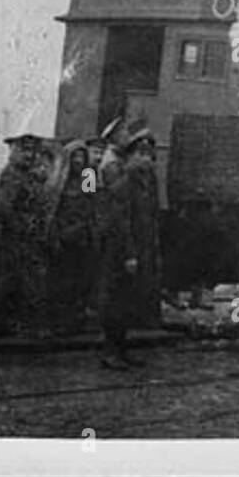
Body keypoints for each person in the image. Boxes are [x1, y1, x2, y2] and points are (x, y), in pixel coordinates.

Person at [97, 128, 161, 369]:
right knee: (114, 301)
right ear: (131, 157)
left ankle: (122, 349)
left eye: (150, 154)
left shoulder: (148, 181)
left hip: (140, 249)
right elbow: (121, 220)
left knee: (128, 302)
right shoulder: (126, 180)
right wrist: (130, 254)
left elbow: (151, 218)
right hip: (121, 250)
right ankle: (111, 351)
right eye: (141, 154)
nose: (147, 159)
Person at [0, 134, 55, 337]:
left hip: (35, 234)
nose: (29, 155)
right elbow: (4, 207)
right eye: (25, 150)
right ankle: (2, 324)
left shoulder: (32, 175)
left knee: (29, 278)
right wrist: (22, 227)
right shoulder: (12, 175)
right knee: (16, 278)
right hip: (18, 236)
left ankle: (18, 323)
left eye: (32, 151)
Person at [49, 141, 97, 335]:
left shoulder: (88, 176)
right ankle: (60, 321)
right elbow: (52, 209)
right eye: (75, 156)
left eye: (82, 156)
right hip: (62, 236)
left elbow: (92, 205)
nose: (79, 160)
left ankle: (78, 319)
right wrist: (58, 233)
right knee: (62, 280)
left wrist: (86, 227)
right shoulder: (59, 179)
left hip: (83, 235)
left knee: (82, 279)